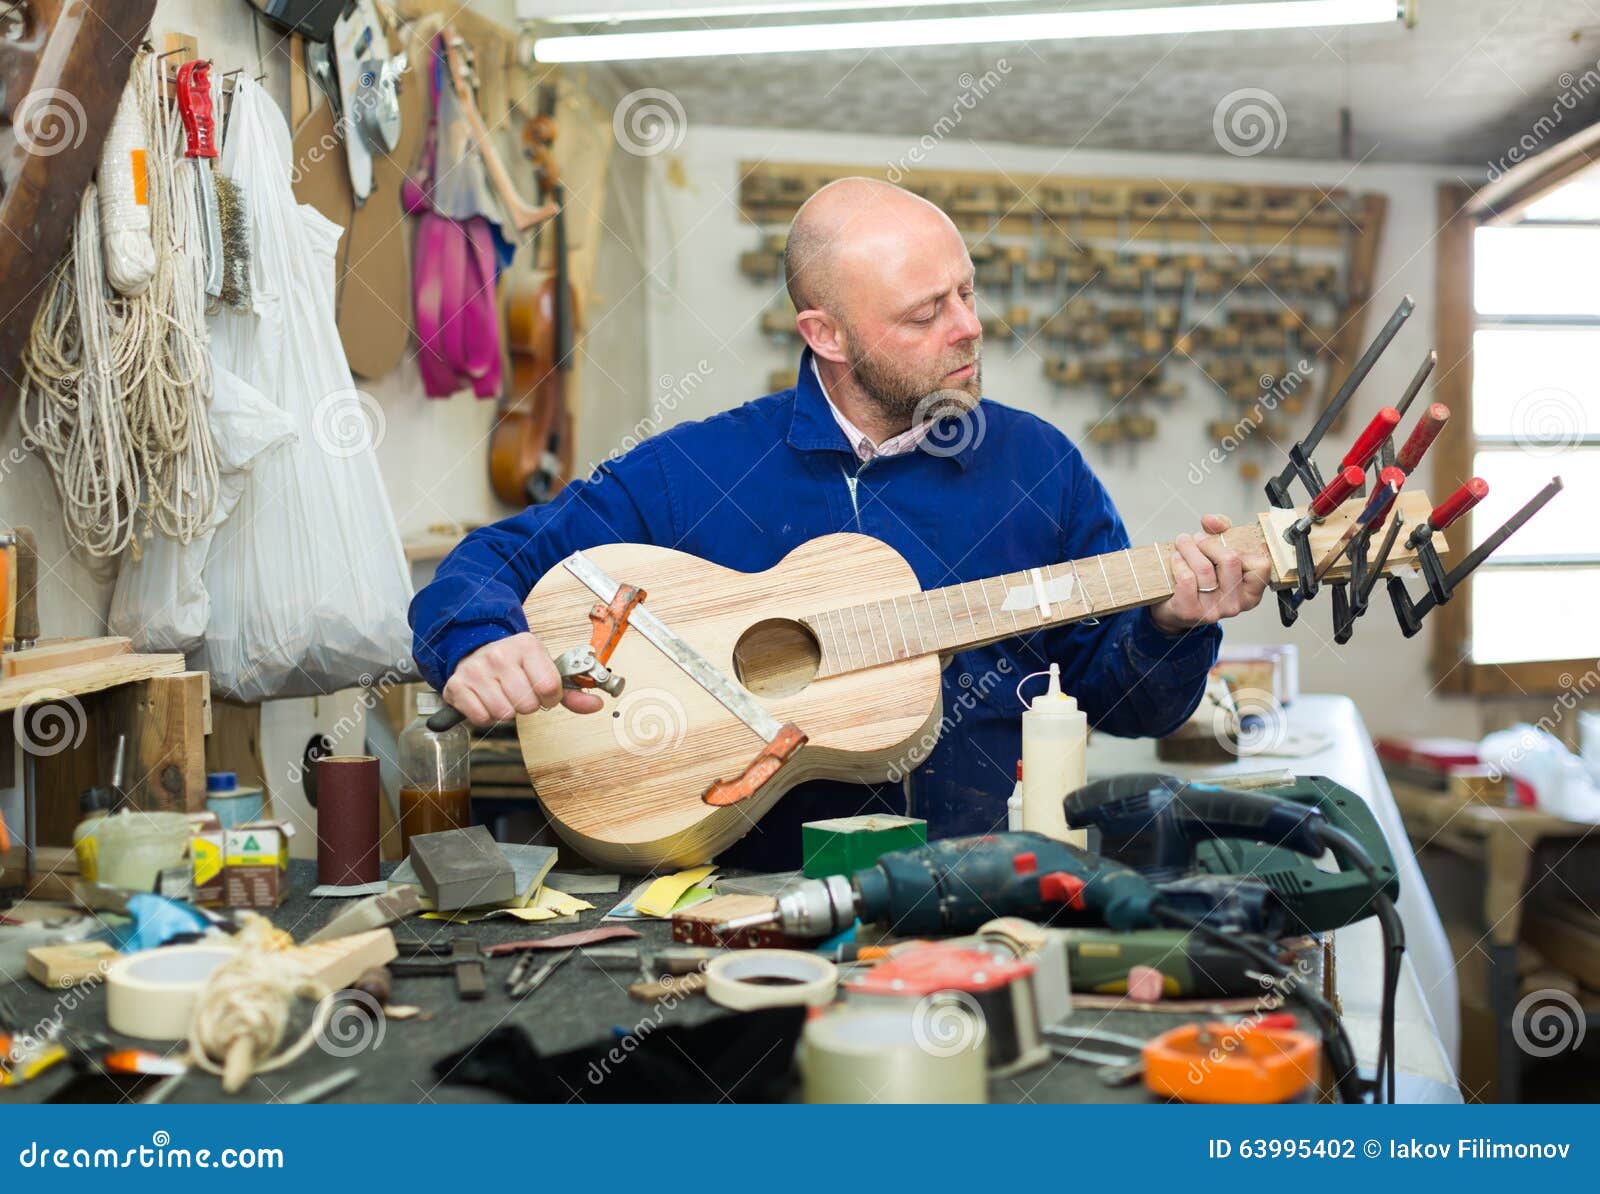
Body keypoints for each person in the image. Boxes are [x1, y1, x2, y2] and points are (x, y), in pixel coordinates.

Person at [410, 177, 1271, 870]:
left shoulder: (1038, 467)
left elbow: (1129, 707)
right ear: (826, 334)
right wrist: (479, 640)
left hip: (972, 899)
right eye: (925, 313)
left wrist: (1172, 625)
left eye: (967, 292)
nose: (969, 328)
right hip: (732, 917)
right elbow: (487, 562)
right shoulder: (695, 471)